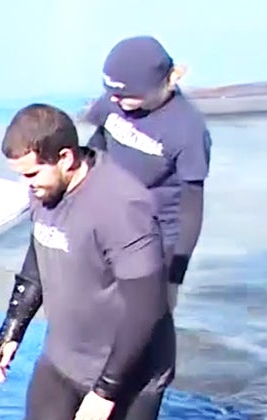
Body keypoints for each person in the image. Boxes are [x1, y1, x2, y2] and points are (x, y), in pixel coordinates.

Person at [0, 103, 174, 420]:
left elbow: (147, 308)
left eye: (32, 175)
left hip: (128, 371)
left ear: (67, 159)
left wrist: (106, 389)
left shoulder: (122, 206)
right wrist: (14, 326)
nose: (27, 187)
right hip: (65, 356)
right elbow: (39, 253)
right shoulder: (45, 194)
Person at [84, 36, 213, 311]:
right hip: (112, 220)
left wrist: (176, 272)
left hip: (157, 236)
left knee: (148, 318)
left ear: (163, 84)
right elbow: (97, 145)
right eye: (111, 93)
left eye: (126, 95)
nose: (115, 100)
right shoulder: (114, 100)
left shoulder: (188, 128)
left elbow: (192, 206)